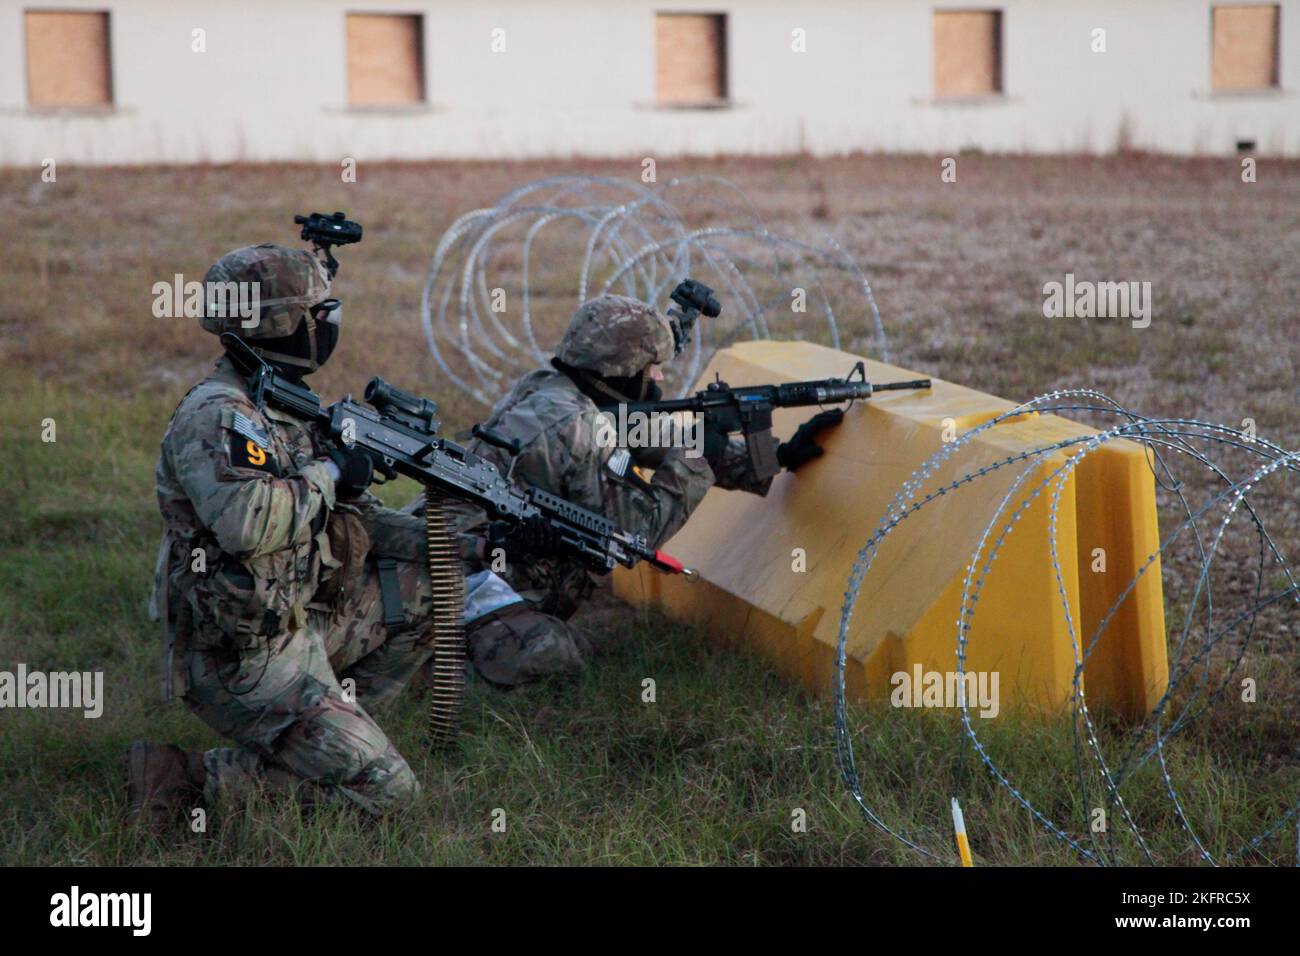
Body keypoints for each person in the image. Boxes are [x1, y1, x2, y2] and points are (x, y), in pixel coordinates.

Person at [131, 241, 441, 826]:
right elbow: (248, 524)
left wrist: (465, 547)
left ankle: (332, 733)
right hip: (238, 656)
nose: (330, 323)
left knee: (429, 586)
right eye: (319, 313)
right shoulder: (221, 413)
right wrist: (331, 471)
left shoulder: (281, 400)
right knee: (392, 795)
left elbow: (363, 517)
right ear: (280, 323)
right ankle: (189, 777)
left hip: (301, 621)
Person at [409, 293, 841, 687]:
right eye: (652, 367)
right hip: (462, 576)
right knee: (555, 654)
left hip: (453, 551)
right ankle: (430, 670)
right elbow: (633, 534)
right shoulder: (574, 426)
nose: (659, 377)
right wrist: (701, 455)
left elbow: (650, 436)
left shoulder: (553, 387)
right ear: (622, 369)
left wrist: (772, 457)